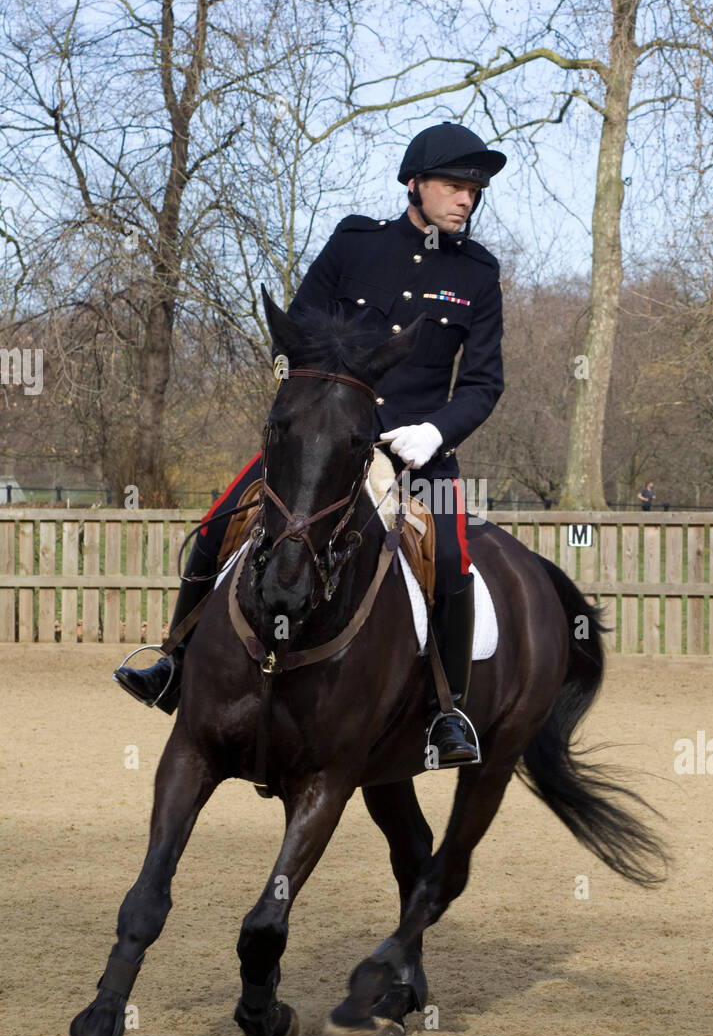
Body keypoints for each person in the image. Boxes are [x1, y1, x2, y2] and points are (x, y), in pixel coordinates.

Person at [114, 120, 507, 766]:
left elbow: (485, 381)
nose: (467, 197)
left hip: (417, 452)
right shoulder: (356, 242)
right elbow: (295, 329)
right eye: (454, 185)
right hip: (326, 439)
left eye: (474, 189)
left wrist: (434, 430)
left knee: (454, 565)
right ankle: (174, 663)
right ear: (415, 183)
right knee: (217, 525)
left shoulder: (478, 275)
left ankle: (446, 713)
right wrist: (312, 410)